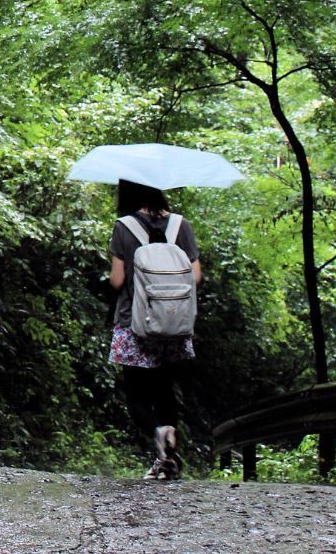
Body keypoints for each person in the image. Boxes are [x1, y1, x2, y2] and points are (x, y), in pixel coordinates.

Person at [108, 179, 201, 480]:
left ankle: (158, 433)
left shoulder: (124, 227)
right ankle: (167, 456)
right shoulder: (180, 225)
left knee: (137, 396)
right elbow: (196, 277)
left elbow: (117, 281)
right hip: (174, 325)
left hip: (133, 325)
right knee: (165, 393)